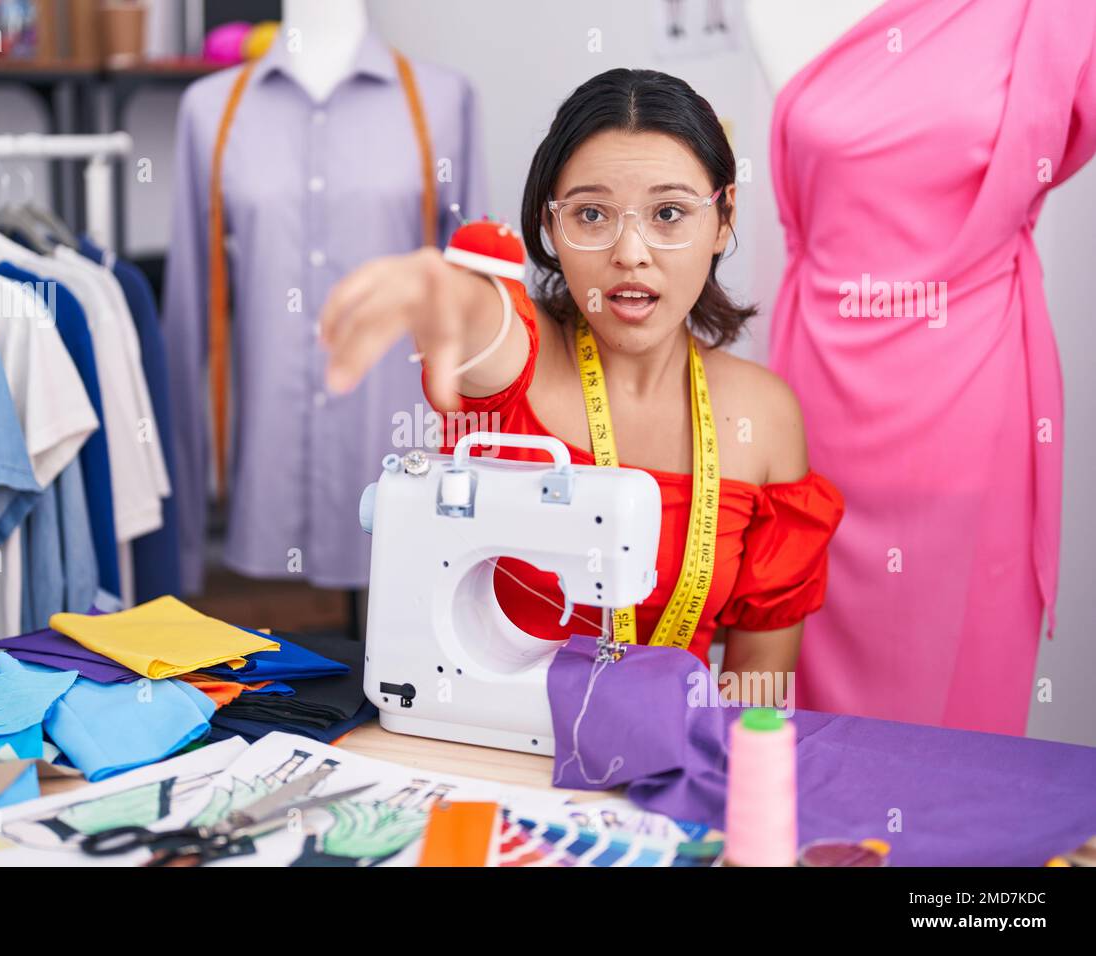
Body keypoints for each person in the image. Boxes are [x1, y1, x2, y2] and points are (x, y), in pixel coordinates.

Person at [320, 68, 844, 702]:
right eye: (592, 214)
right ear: (549, 226)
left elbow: (757, 687)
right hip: (485, 752)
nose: (630, 251)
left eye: (669, 212)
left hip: (664, 773)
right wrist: (448, 292)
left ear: (724, 218)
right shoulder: (522, 358)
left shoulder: (765, 416)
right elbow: (484, 321)